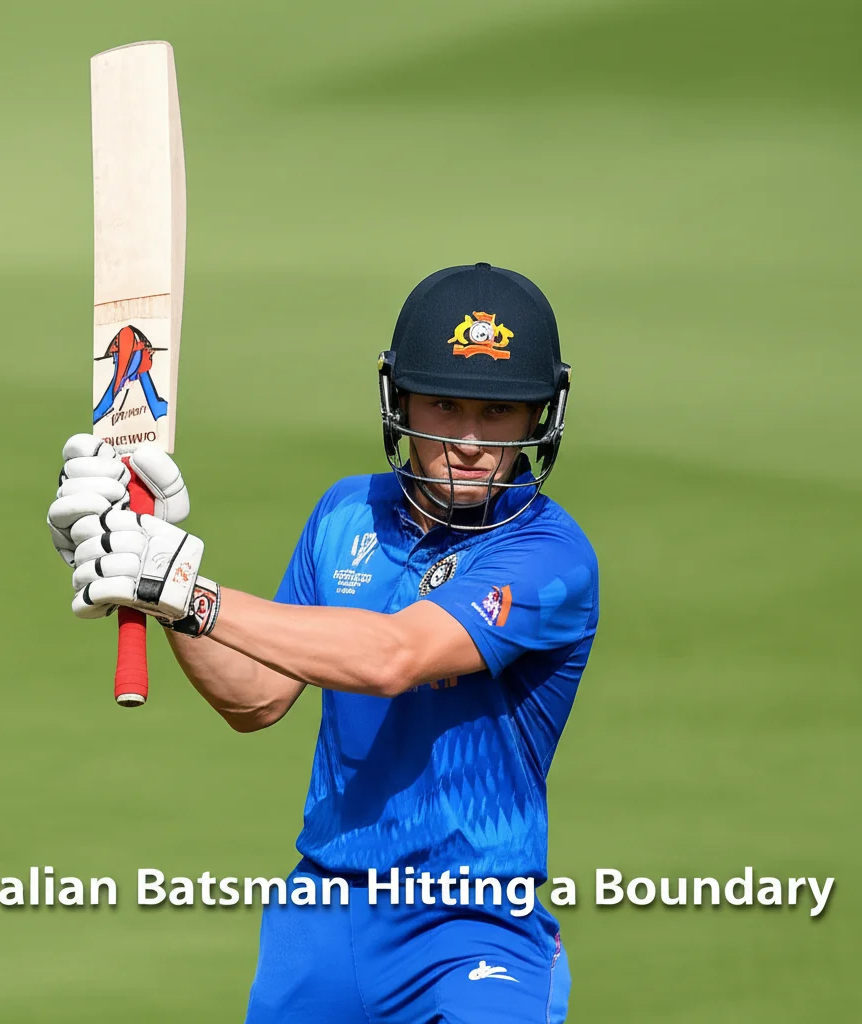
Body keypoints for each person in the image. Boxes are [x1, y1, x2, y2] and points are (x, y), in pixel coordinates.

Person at [48, 262, 599, 1023]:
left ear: (539, 417)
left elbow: (390, 658)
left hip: (473, 928)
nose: (468, 440)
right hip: (320, 916)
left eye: (498, 413)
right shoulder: (346, 513)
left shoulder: (551, 554)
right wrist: (161, 583)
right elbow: (256, 698)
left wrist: (184, 586)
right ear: (398, 399)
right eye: (443, 404)